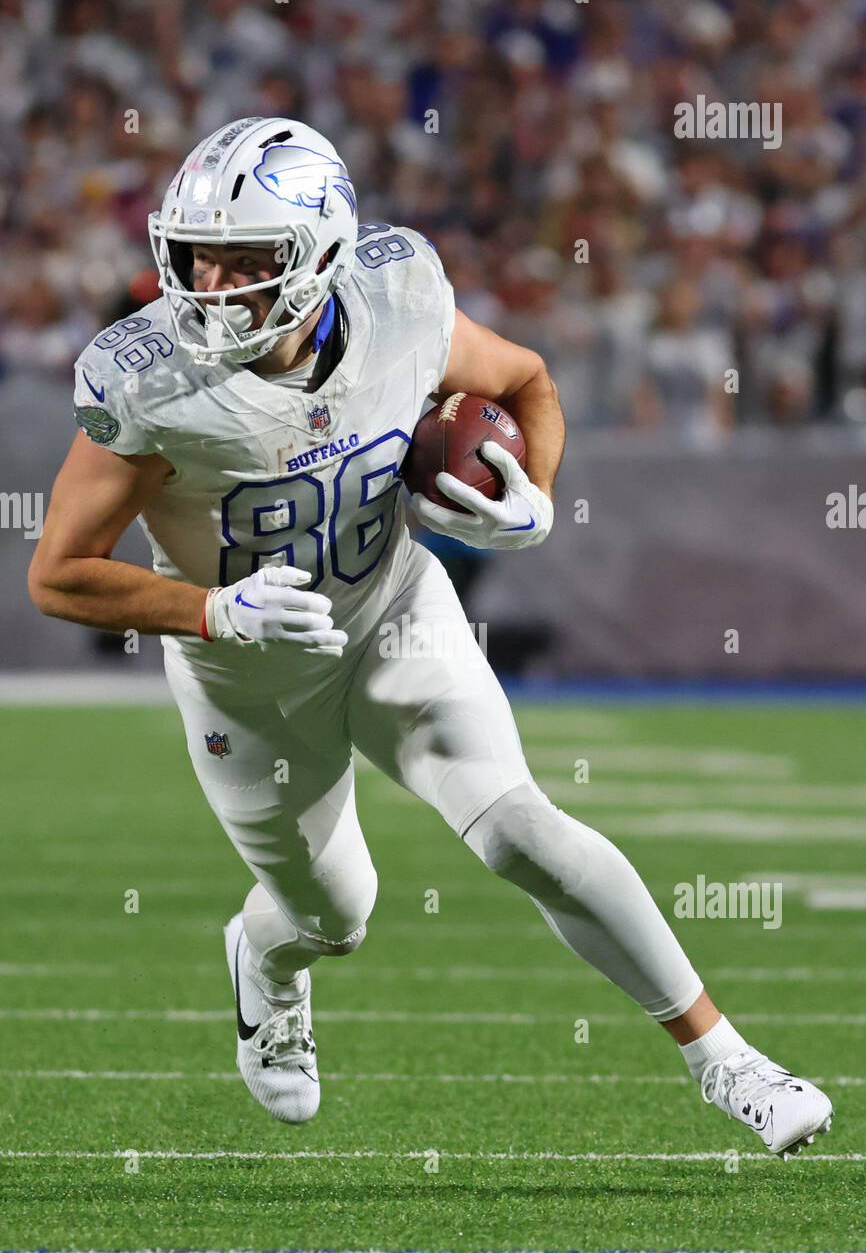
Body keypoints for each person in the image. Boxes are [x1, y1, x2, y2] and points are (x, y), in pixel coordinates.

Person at [29, 118, 832, 1158]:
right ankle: (264, 963)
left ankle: (726, 1060)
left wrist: (536, 496)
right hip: (248, 677)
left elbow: (527, 379)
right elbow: (57, 573)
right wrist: (210, 609)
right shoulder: (150, 384)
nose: (215, 284)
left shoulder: (398, 300)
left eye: (247, 259)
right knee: (334, 915)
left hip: (396, 612)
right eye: (197, 257)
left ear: (319, 254)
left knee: (520, 830)